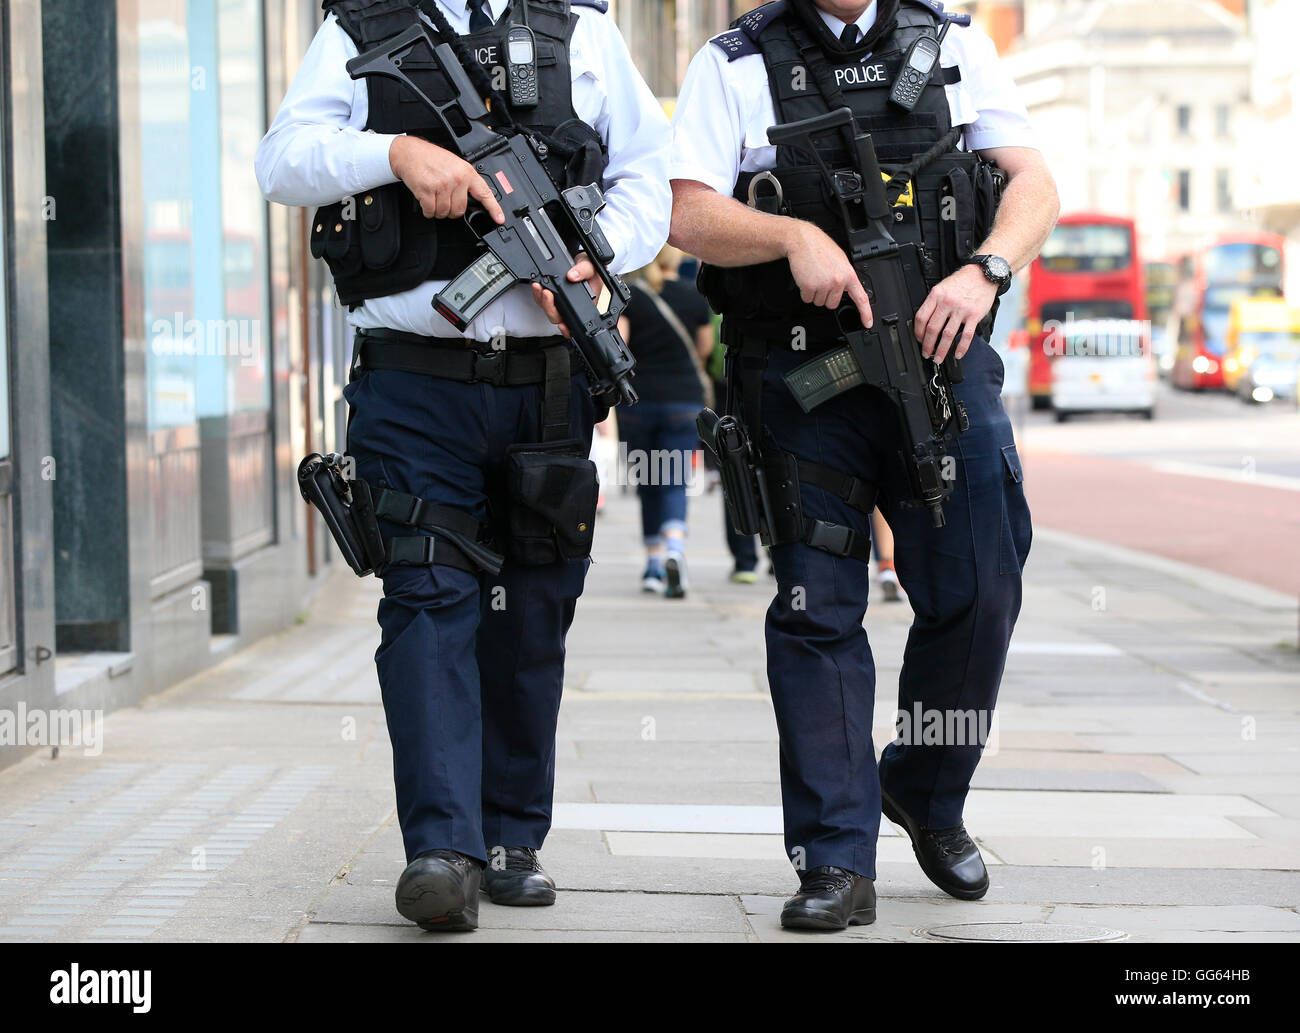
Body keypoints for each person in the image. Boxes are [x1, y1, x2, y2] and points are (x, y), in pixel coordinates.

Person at [256, 0, 669, 932]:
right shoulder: (363, 29)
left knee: (533, 608)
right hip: (413, 384)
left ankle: (513, 838)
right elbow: (282, 160)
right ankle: (441, 848)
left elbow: (652, 174)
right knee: (427, 596)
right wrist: (394, 156)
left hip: (549, 381)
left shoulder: (584, 32)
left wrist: (600, 262)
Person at [670, 0, 1057, 930]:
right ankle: (835, 860)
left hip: (943, 359)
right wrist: (791, 237)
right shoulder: (735, 61)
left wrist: (989, 269)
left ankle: (924, 788)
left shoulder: (957, 42)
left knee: (980, 586)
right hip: (806, 378)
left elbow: (1033, 182)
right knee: (816, 613)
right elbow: (684, 211)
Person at [616, 246, 714, 598]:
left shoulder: (629, 297)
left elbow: (620, 348)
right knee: (674, 478)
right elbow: (704, 348)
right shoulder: (693, 296)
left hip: (639, 401)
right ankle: (676, 548)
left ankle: (654, 564)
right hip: (683, 400)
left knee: (648, 481)